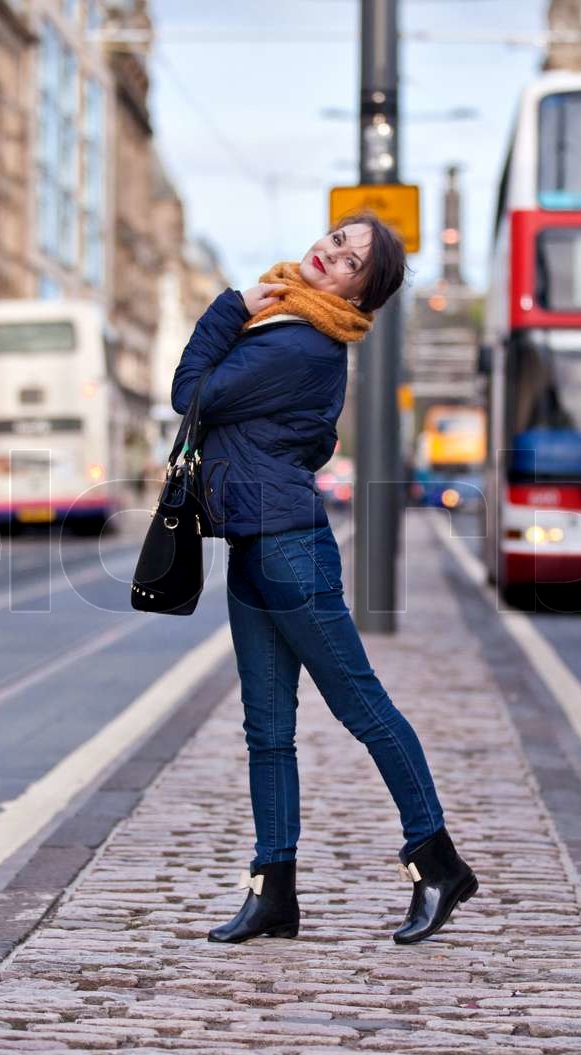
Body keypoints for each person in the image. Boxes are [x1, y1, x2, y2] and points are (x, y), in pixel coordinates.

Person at [168, 212, 478, 946]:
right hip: (254, 542)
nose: (329, 252)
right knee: (266, 731)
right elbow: (313, 438)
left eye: (348, 259)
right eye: (336, 239)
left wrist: (228, 306)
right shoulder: (293, 329)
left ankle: (437, 861)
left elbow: (192, 394)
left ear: (359, 293)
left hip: (290, 552)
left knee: (361, 705)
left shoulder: (303, 340)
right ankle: (273, 891)